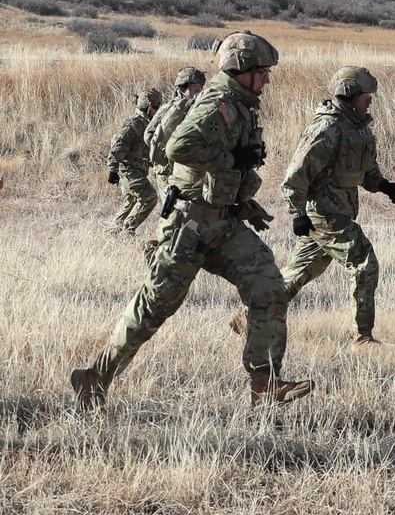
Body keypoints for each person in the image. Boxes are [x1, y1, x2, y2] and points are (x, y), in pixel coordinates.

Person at [70, 31, 314, 412]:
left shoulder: (241, 105)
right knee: (155, 307)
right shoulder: (218, 103)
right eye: (263, 71)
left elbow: (221, 168)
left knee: (269, 287)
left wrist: (244, 204)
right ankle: (95, 377)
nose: (268, 79)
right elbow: (179, 147)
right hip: (188, 226)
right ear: (242, 69)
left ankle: (265, 385)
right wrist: (234, 160)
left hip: (224, 224)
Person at [230, 66, 395, 352]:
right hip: (324, 214)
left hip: (339, 210)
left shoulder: (357, 126)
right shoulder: (327, 128)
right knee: (363, 261)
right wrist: (298, 214)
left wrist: (384, 185)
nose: (370, 101)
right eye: (366, 96)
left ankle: (249, 319)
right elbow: (294, 178)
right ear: (349, 95)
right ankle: (362, 338)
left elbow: (362, 168)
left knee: (299, 273)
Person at [107, 88, 161, 236]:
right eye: (156, 107)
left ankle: (111, 232)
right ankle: (128, 229)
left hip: (138, 169)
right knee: (149, 198)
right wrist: (112, 170)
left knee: (130, 203)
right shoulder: (135, 124)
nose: (158, 111)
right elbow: (119, 144)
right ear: (148, 107)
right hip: (130, 170)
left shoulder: (147, 123)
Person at [146, 67, 207, 191]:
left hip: (185, 169)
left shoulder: (195, 109)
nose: (200, 89)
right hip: (167, 171)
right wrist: (166, 151)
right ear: (187, 85)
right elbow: (149, 135)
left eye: (201, 86)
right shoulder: (169, 109)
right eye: (197, 86)